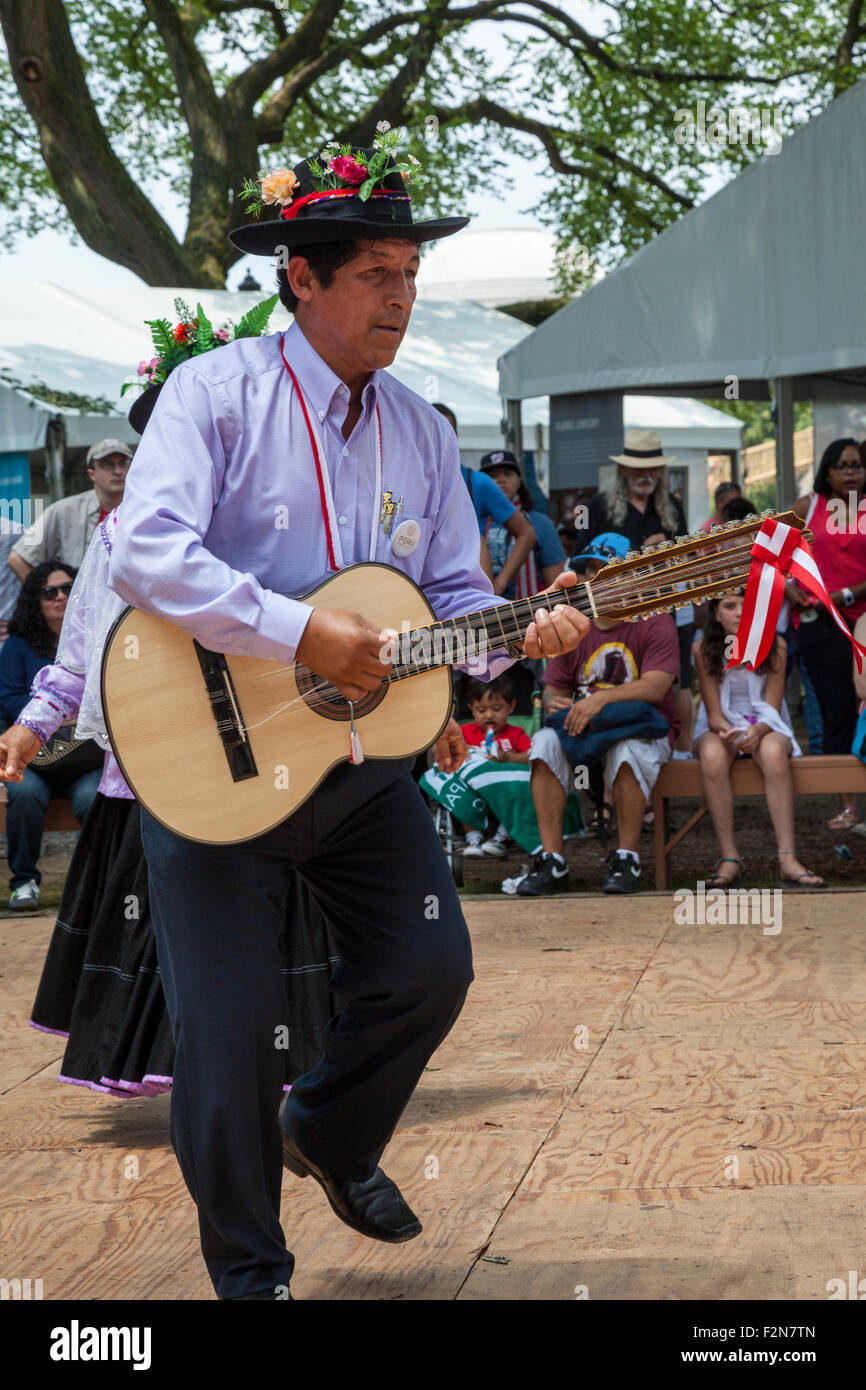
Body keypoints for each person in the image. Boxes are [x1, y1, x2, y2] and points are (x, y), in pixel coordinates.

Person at [103, 143, 588, 1301]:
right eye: (375, 272)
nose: (402, 296)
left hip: (362, 766)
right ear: (300, 280)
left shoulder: (421, 430)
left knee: (429, 968)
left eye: (409, 273)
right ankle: (250, 1277)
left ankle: (323, 1126)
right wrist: (296, 632)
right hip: (205, 758)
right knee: (224, 1039)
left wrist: (527, 630)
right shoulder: (213, 395)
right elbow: (146, 549)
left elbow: (455, 605)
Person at [519, 532, 680, 896]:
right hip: (584, 730)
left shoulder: (654, 619)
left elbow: (656, 686)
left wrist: (597, 701)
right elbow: (554, 687)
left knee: (627, 750)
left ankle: (626, 858)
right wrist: (556, 700)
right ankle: (552, 860)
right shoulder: (572, 623)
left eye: (604, 570)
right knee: (544, 741)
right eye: (589, 569)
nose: (594, 579)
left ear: (629, 575)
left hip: (643, 731)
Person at [694, 592, 823, 888]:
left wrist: (757, 732)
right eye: (729, 607)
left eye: (746, 605)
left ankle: (787, 857)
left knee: (774, 752)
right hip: (721, 726)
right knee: (712, 756)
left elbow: (773, 706)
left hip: (766, 723)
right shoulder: (703, 650)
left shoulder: (775, 644)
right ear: (716, 614)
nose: (740, 613)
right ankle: (729, 857)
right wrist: (730, 733)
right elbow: (713, 714)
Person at [583, 427, 693, 764]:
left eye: (652, 468)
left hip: (666, 606)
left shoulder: (672, 506)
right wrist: (639, 555)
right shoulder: (599, 507)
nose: (646, 475)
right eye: (638, 468)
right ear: (623, 470)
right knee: (623, 675)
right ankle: (616, 752)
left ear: (660, 472)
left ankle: (678, 753)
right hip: (616, 614)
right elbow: (584, 561)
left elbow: (687, 559)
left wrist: (670, 555)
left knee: (679, 678)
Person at [0, 560, 102, 909]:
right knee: (24, 796)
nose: (61, 597)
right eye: (50, 592)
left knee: (96, 799)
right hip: (35, 763)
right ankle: (24, 883)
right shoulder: (18, 646)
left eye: (68, 589)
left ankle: (98, 885)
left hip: (84, 762)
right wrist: (53, 710)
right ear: (36, 600)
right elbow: (9, 700)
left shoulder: (97, 640)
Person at [790, 438, 866, 829]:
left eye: (857, 465)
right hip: (822, 626)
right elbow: (770, 553)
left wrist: (846, 593)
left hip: (863, 621)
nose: (851, 472)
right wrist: (791, 590)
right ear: (828, 472)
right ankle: (848, 806)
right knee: (836, 710)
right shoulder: (809, 507)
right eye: (843, 466)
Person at [432, 403, 537, 596]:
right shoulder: (404, 481)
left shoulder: (477, 483)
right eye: (432, 429)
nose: (440, 437)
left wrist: (499, 585)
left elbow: (526, 533)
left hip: (468, 595)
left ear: (455, 436)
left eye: (447, 430)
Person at [8, 439, 133, 582]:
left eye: (123, 463)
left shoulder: (144, 509)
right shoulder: (63, 510)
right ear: (92, 473)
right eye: (107, 464)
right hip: (82, 602)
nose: (117, 471)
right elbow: (17, 558)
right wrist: (46, 596)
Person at [460, 675, 531, 858]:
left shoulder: (516, 734)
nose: (489, 715)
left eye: (497, 709)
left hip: (506, 787)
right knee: (461, 790)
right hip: (475, 788)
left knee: (521, 789)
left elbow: (531, 757)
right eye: (481, 710)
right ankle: (473, 837)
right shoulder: (466, 733)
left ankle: (502, 835)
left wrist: (508, 757)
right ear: (472, 710)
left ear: (511, 707)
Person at [480, 450, 565, 597]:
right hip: (481, 613)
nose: (501, 480)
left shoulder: (540, 523)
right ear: (481, 483)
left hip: (529, 614)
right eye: (493, 476)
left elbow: (556, 586)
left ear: (519, 480)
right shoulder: (472, 523)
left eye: (507, 473)